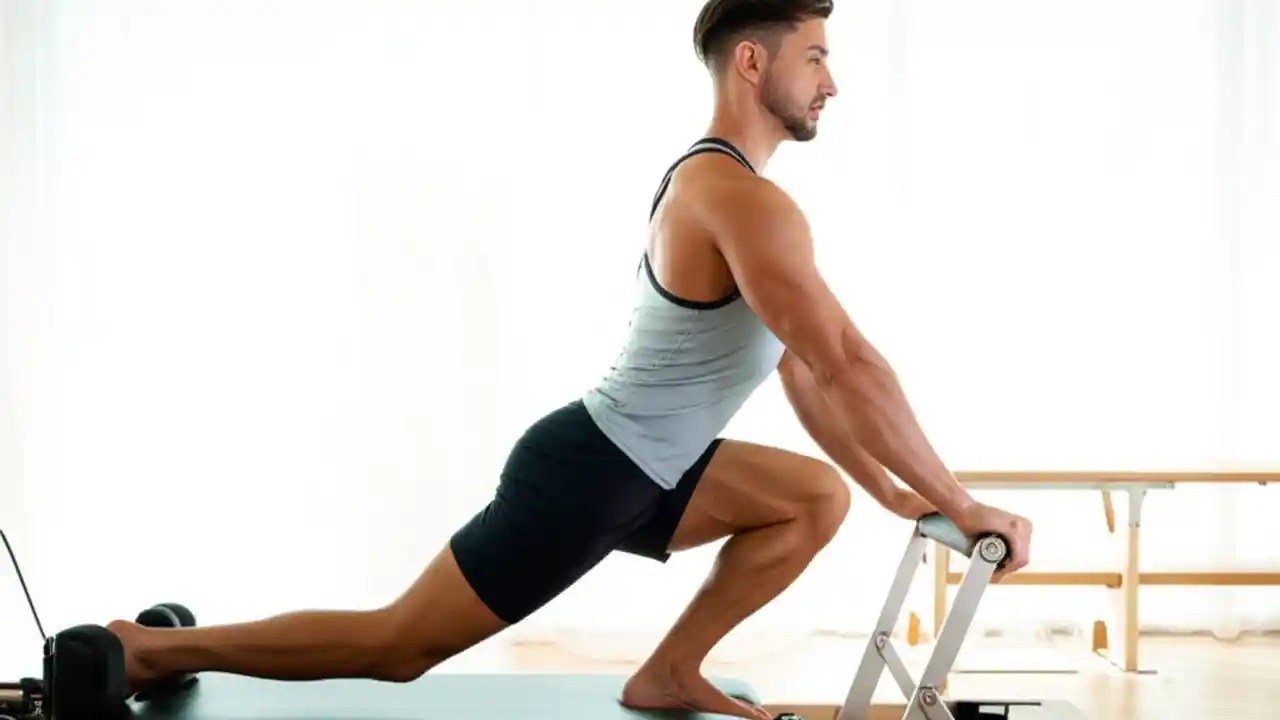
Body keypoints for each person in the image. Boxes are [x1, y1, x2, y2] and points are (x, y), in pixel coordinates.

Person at [104, 1, 1031, 719]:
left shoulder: (730, 188)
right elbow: (848, 362)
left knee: (813, 497)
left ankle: (670, 670)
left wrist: (889, 493)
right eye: (817, 55)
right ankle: (150, 652)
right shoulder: (739, 199)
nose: (832, 82)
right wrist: (959, 502)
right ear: (753, 62)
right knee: (399, 646)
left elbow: (801, 369)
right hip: (590, 472)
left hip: (647, 469)